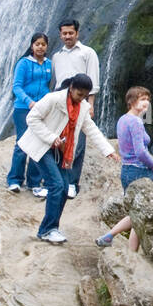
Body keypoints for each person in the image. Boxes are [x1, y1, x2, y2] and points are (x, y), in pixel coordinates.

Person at [16, 74, 119, 244]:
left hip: (63, 150)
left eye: (85, 96)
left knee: (64, 188)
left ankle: (52, 227)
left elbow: (91, 130)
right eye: (79, 94)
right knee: (56, 185)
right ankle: (46, 230)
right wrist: (51, 137)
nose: (81, 99)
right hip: (43, 146)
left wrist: (108, 150)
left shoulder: (83, 107)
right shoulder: (53, 99)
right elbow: (31, 118)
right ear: (71, 88)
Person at [96, 86, 153, 250]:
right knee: (139, 212)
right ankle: (110, 235)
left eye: (148, 99)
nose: (146, 102)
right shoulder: (136, 121)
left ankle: (131, 252)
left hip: (126, 170)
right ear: (132, 102)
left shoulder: (123, 119)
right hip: (139, 171)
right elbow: (140, 151)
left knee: (137, 212)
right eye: (142, 99)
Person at [51, 19, 100, 199]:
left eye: (71, 33)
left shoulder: (88, 53)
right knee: (58, 140)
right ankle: (58, 180)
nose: (67, 36)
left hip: (81, 100)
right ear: (60, 34)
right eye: (64, 33)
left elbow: (93, 81)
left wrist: (91, 105)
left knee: (77, 142)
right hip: (60, 99)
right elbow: (55, 82)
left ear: (77, 33)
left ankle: (72, 182)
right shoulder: (57, 56)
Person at [6, 32, 52, 197]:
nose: (40, 47)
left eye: (43, 44)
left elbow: (48, 85)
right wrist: (29, 101)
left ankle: (34, 182)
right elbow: (16, 87)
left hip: (42, 108)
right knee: (22, 143)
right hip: (23, 108)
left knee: (38, 143)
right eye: (37, 44)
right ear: (32, 46)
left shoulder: (49, 64)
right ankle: (14, 180)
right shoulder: (23, 63)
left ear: (47, 47)